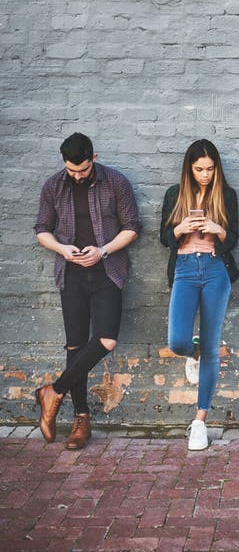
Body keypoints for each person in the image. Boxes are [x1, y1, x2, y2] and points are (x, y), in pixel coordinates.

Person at [34, 132, 141, 449]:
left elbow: (133, 226)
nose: (77, 176)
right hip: (71, 274)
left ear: (93, 158)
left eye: (82, 169)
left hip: (108, 271)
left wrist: (104, 250)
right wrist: (63, 249)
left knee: (106, 339)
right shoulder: (54, 185)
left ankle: (53, 391)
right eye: (71, 170)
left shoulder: (115, 182)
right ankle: (81, 421)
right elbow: (42, 229)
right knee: (75, 347)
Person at [160, 139, 239, 451]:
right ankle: (191, 352)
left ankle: (200, 421)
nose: (205, 175)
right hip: (184, 268)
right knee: (177, 341)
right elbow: (163, 238)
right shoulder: (174, 195)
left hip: (215, 269)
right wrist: (180, 229)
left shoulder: (226, 195)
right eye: (199, 169)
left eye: (210, 169)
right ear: (189, 169)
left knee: (211, 347)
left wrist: (215, 228)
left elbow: (233, 238)